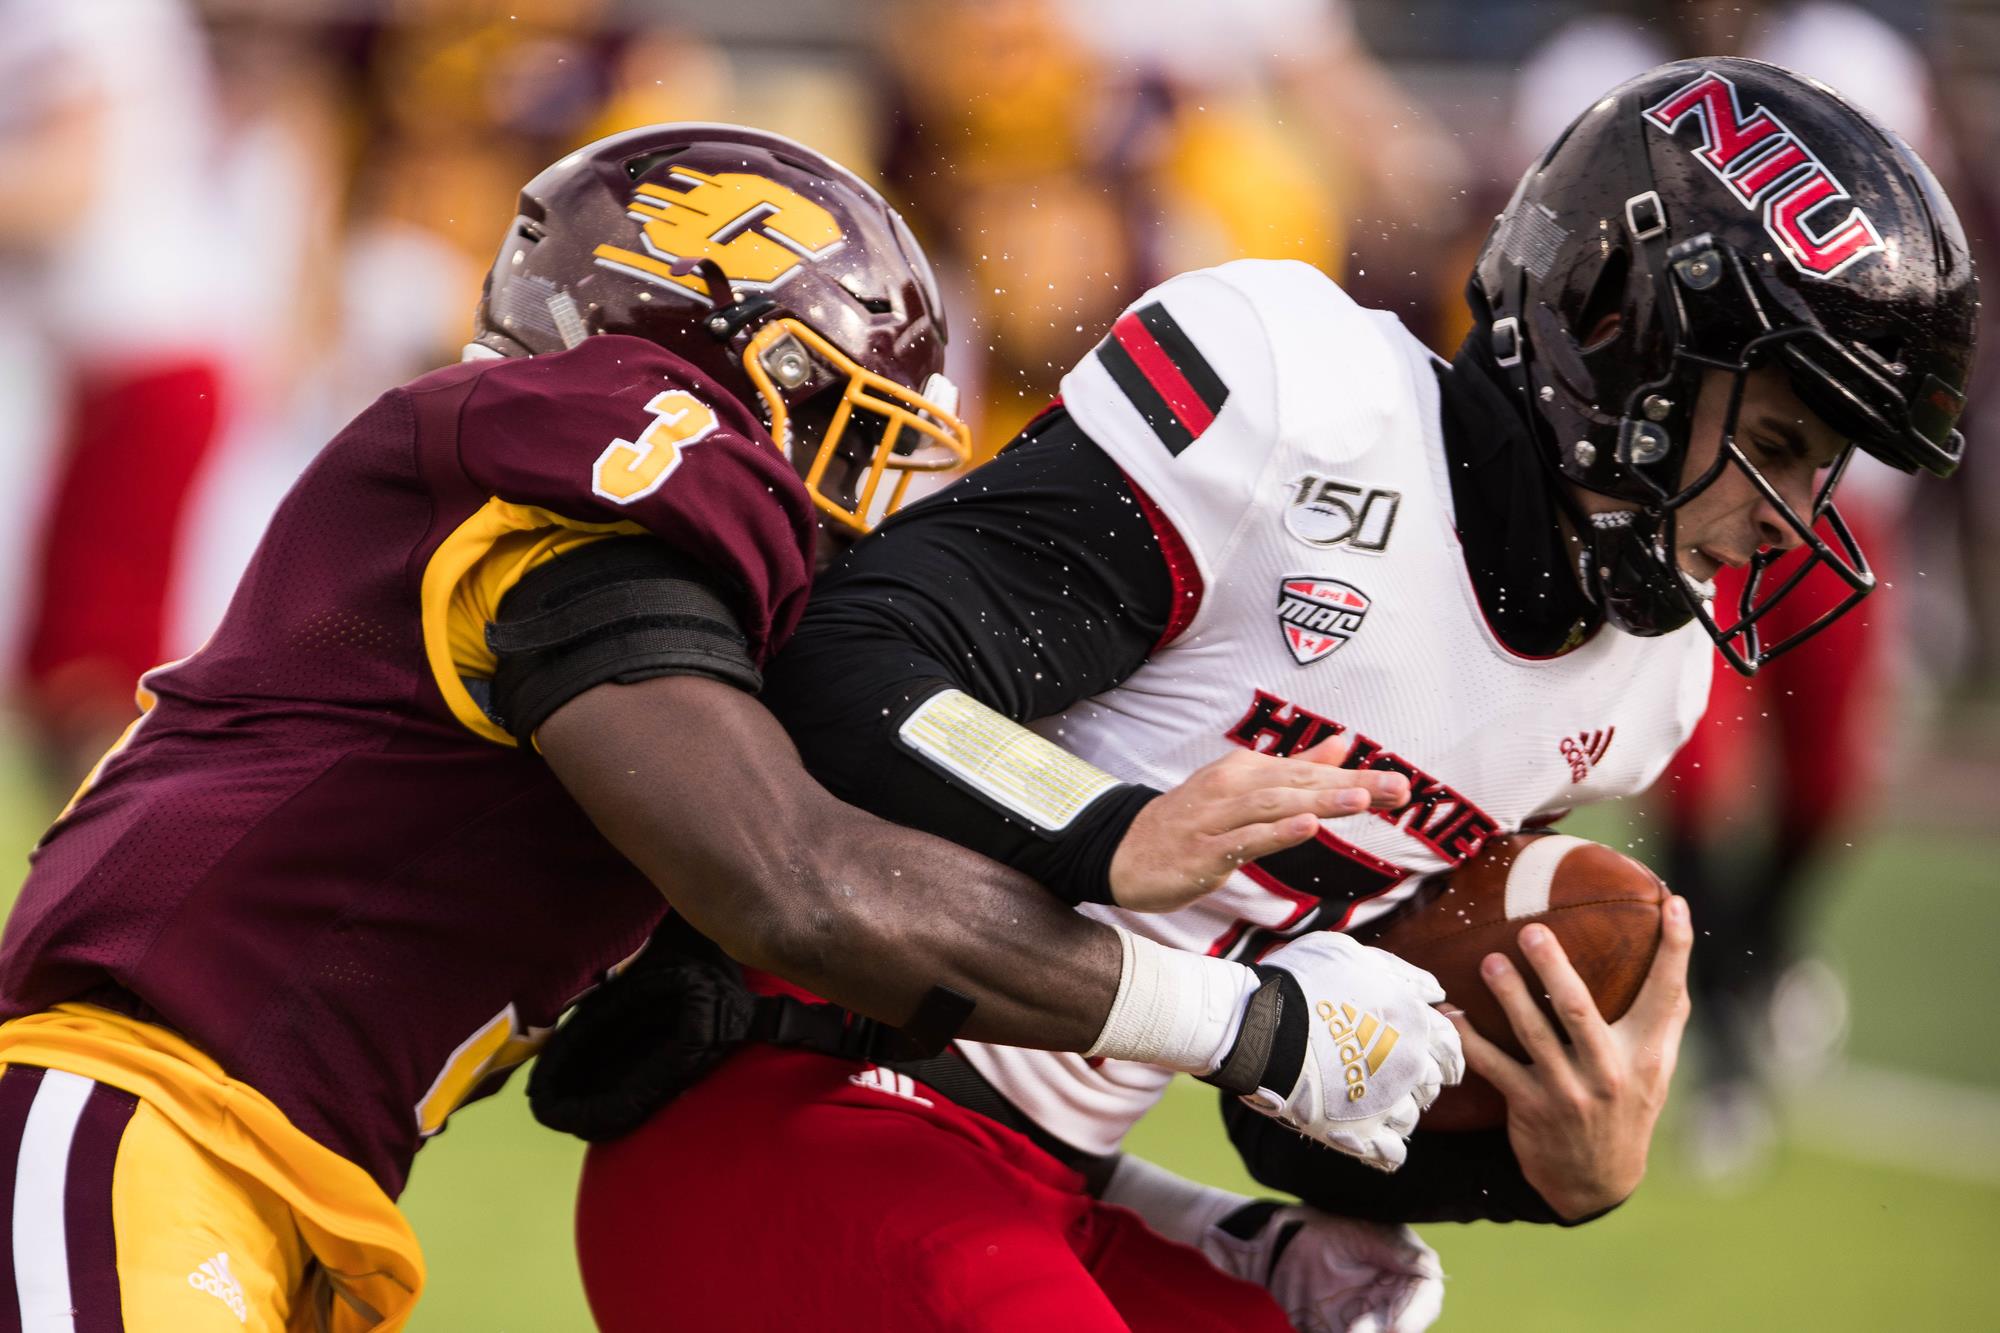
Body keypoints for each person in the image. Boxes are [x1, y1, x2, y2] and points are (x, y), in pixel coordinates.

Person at [566, 58, 1978, 1329]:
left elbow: (1299, 1089)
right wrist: (1107, 829)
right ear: (1623, 335)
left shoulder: (1641, 684)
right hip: (801, 1090)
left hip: (1046, 1172)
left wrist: (1542, 1166)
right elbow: (849, 667)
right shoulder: (1303, 404)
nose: (1794, 516)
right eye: (1780, 440)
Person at [0, 124, 1437, 1331]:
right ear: (734, 365)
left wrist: (1180, 1218)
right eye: (852, 430)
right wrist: (1239, 1023)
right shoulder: (584, 479)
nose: (855, 501)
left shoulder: (608, 673)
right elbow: (799, 880)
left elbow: (843, 989)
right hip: (139, 1124)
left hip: (254, 1182)